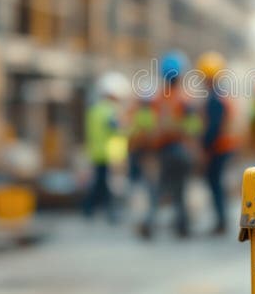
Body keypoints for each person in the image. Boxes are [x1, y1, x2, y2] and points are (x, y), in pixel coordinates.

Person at [138, 51, 201, 239]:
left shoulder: (156, 99)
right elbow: (194, 126)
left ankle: (150, 222)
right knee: (180, 190)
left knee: (160, 189)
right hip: (179, 150)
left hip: (163, 151)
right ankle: (182, 227)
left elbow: (146, 126)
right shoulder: (184, 99)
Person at [196, 51, 238, 235]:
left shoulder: (215, 99)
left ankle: (221, 221)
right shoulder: (221, 94)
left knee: (215, 184)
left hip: (217, 148)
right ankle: (221, 220)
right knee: (217, 183)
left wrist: (204, 148)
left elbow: (213, 128)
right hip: (223, 146)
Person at [83, 71, 129, 223]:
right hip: (109, 154)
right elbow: (116, 128)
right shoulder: (110, 110)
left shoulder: (95, 109)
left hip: (97, 152)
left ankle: (90, 209)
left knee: (101, 183)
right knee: (108, 185)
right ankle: (106, 211)